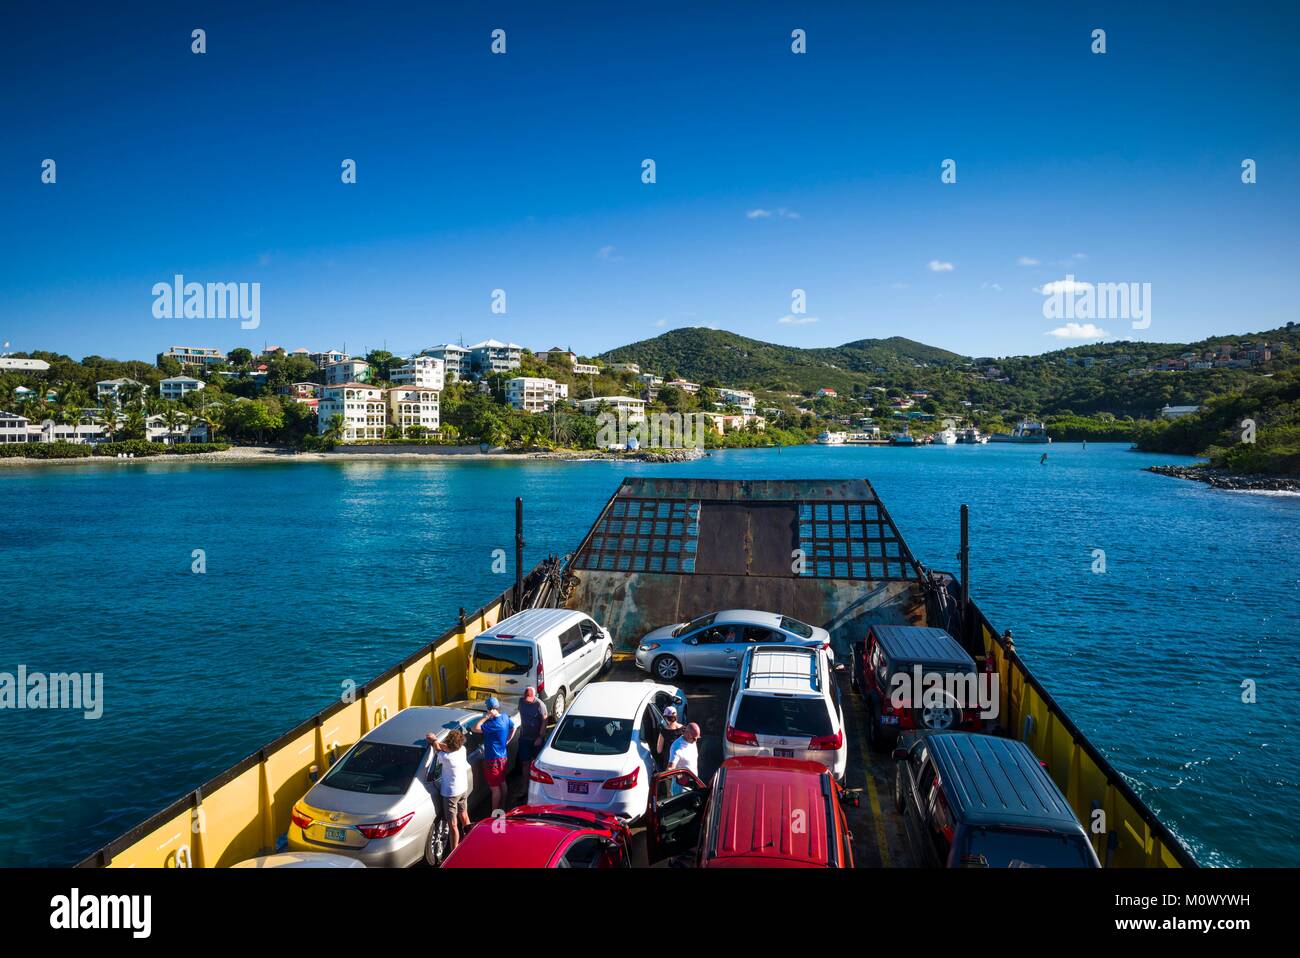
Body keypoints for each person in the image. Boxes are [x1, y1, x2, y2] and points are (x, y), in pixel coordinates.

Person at [474, 696, 519, 813]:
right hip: (503, 757)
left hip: (492, 760)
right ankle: (503, 806)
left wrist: (485, 718)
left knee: (495, 788)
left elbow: (475, 728)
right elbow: (513, 727)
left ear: (489, 709)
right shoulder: (504, 717)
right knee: (502, 782)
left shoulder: (491, 725)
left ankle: (494, 813)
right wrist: (507, 740)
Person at [429, 728, 471, 852]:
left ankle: (454, 853)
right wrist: (435, 741)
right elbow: (445, 747)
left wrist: (433, 740)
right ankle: (470, 841)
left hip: (451, 794)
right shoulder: (462, 750)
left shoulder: (446, 757)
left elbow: (437, 747)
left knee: (453, 825)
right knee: (464, 815)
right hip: (463, 788)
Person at [515, 686, 549, 797]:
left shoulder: (540, 705)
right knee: (525, 763)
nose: (527, 701)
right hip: (524, 738)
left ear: (534, 696)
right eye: (526, 698)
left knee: (536, 765)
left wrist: (540, 736)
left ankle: (537, 789)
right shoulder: (521, 702)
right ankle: (524, 787)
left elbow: (544, 720)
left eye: (529, 698)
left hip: (536, 740)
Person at [655, 705, 685, 771]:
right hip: (682, 764)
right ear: (676, 716)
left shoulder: (663, 732)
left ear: (666, 718)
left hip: (669, 764)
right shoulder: (684, 729)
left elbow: (659, 750)